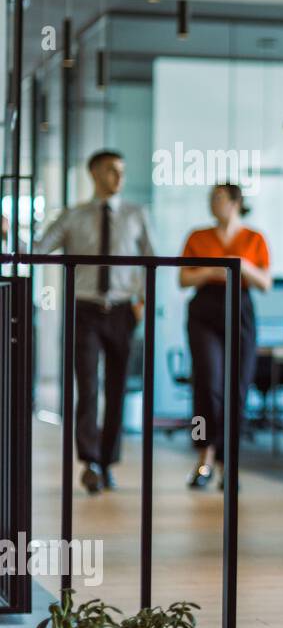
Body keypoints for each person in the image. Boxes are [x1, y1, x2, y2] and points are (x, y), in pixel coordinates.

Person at [34, 150, 154, 494]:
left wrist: (142, 302)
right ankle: (89, 461)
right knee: (87, 386)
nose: (119, 178)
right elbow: (39, 250)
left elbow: (153, 259)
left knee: (117, 389)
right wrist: (9, 234)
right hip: (85, 310)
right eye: (112, 171)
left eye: (122, 171)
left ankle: (106, 461)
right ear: (94, 174)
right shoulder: (73, 217)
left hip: (122, 310)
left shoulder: (136, 215)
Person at [178, 184, 271, 490]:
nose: (212, 203)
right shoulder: (197, 236)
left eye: (218, 198)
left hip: (240, 309)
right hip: (205, 310)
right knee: (207, 384)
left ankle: (227, 465)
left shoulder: (253, 238)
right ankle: (204, 457)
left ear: (235, 203)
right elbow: (183, 278)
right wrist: (211, 271)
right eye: (210, 198)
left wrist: (241, 265)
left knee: (237, 390)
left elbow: (265, 283)